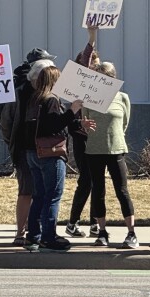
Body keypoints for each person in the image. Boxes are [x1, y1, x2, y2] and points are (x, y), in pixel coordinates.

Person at [24, 63, 88, 252]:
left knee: (39, 196)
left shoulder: (34, 99)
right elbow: (52, 125)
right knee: (53, 196)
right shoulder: (51, 99)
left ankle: (33, 235)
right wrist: (71, 111)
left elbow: (42, 124)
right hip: (50, 153)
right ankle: (48, 236)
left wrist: (74, 120)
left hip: (32, 152)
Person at [0, 48, 56, 245]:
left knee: (33, 191)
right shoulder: (22, 90)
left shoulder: (22, 88)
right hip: (33, 149)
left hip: (30, 148)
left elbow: (6, 121)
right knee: (35, 191)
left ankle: (27, 231)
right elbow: (7, 121)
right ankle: (26, 232)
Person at [85, 62, 137, 248]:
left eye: (103, 78)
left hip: (116, 149)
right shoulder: (89, 97)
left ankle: (131, 232)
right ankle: (102, 231)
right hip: (94, 150)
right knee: (98, 191)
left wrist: (114, 137)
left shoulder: (122, 98)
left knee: (122, 190)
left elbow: (124, 123)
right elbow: (85, 121)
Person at [65, 27, 100, 239]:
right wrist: (92, 38)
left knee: (98, 181)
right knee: (87, 179)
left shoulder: (100, 88)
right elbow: (72, 120)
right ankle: (72, 221)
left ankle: (96, 222)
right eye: (92, 67)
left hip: (98, 138)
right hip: (82, 138)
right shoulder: (77, 87)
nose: (95, 71)